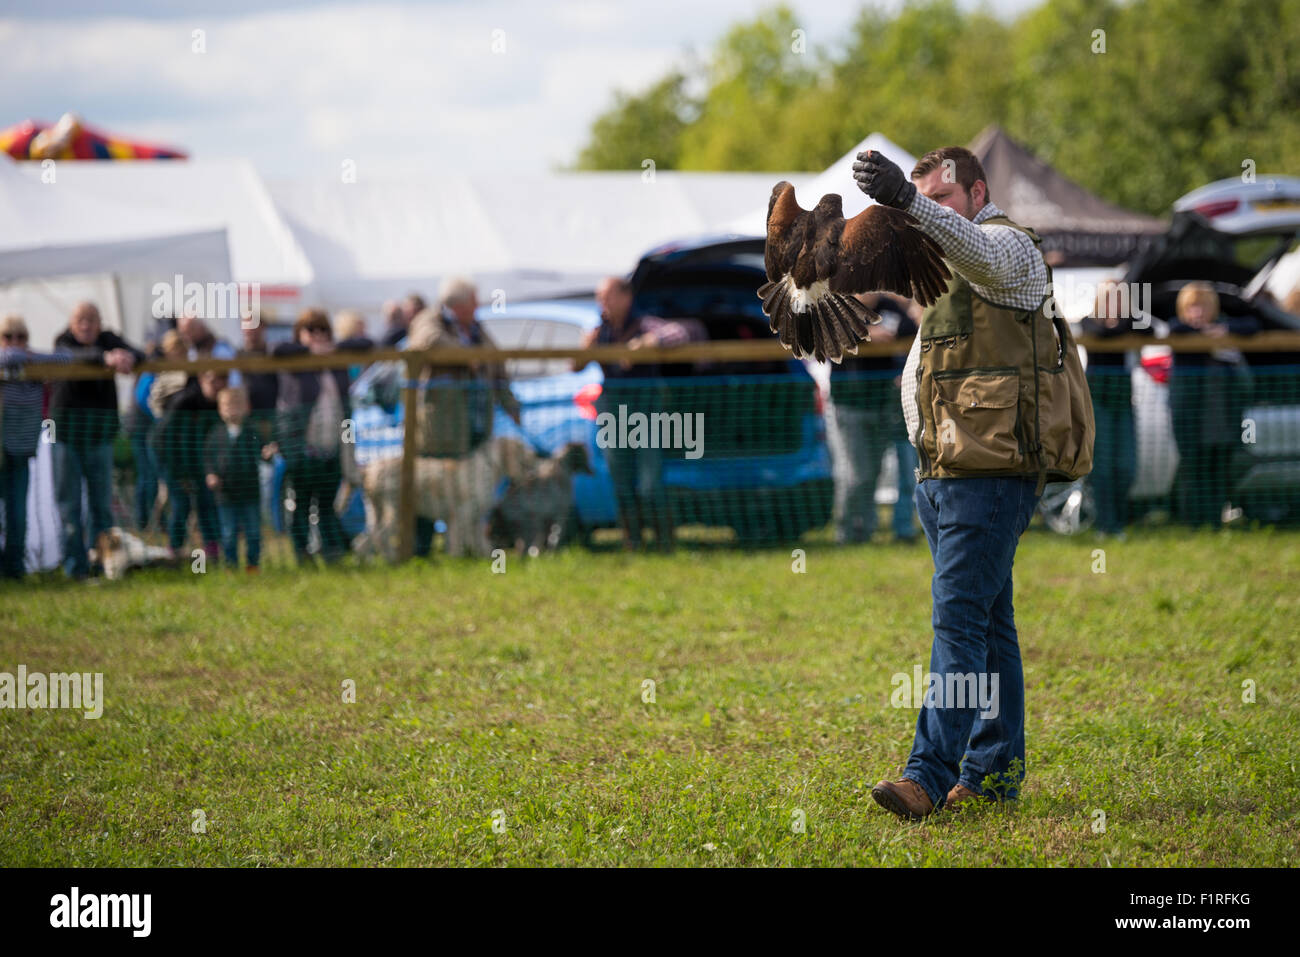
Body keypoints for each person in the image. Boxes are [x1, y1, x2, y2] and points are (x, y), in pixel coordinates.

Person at [854, 145, 1087, 819]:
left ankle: (926, 774)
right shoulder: (947, 270)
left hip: (986, 477)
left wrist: (906, 199)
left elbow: (976, 249)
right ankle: (995, 773)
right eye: (925, 196)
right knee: (990, 629)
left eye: (944, 197)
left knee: (957, 625)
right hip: (950, 475)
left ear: (978, 191)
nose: (932, 211)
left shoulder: (1010, 249)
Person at [574, 276, 702, 551]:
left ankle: (664, 541)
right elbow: (573, 365)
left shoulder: (645, 325)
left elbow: (685, 331)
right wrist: (583, 350)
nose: (602, 304)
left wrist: (650, 342)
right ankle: (632, 541)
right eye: (599, 299)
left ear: (625, 297)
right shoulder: (598, 333)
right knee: (619, 477)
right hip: (612, 411)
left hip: (646, 410)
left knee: (649, 479)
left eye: (606, 298)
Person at [50, 302, 143, 579]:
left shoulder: (109, 339)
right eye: (81, 320)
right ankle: (74, 568)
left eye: (92, 320)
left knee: (102, 505)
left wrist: (127, 357)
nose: (87, 326)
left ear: (100, 323)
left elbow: (138, 352)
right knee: (69, 504)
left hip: (100, 436)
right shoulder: (62, 341)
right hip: (66, 435)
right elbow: (74, 356)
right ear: (71, 322)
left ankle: (104, 565)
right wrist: (106, 359)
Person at [269, 309, 362, 564]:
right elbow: (276, 349)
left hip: (333, 444)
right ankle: (303, 553)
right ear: (300, 333)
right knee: (301, 502)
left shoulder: (335, 361)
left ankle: (332, 552)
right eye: (311, 330)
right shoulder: (294, 360)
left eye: (323, 330)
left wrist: (332, 348)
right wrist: (310, 352)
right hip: (302, 445)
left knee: (326, 502)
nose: (318, 335)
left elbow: (366, 343)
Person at [826, 293, 918, 543]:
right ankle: (849, 533)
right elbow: (826, 334)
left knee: (876, 471)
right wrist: (867, 335)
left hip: (885, 404)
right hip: (849, 405)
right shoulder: (838, 308)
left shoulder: (890, 309)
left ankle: (872, 529)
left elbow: (913, 332)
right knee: (856, 474)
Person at [1167, 282, 1258, 527]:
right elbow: (1174, 329)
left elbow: (1253, 324)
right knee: (1193, 468)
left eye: (1202, 307)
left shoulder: (1225, 329)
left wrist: (1223, 329)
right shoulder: (1180, 332)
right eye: (1192, 307)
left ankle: (1214, 522)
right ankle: (1193, 523)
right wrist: (1206, 334)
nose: (1198, 313)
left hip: (1221, 419)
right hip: (1190, 418)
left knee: (1218, 469)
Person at [0, 315, 73, 579]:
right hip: (1, 450)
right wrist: (19, 356)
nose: (15, 343)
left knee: (17, 513)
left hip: (20, 450)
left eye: (21, 337)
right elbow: (6, 358)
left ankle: (14, 567)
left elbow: (66, 358)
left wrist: (29, 357)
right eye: (8, 336)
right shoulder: (11, 361)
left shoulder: (32, 370)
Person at [1081, 279, 1152, 537]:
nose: (1114, 304)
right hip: (1098, 402)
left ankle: (1120, 523)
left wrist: (1122, 322)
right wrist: (1120, 327)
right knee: (1103, 465)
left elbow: (1152, 329)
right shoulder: (1088, 322)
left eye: (1119, 299)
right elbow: (1099, 333)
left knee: (1127, 466)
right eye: (1109, 298)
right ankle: (1105, 525)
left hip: (1123, 402)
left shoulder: (1132, 322)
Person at [157, 369, 227, 559]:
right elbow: (163, 440)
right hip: (173, 461)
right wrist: (179, 475)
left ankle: (210, 551)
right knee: (182, 505)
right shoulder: (184, 402)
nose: (218, 385)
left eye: (223, 380)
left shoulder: (222, 405)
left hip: (200, 465)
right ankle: (175, 550)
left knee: (206, 503)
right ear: (202, 380)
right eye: (213, 380)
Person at [204, 385, 265, 572]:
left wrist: (267, 454)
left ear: (246, 407)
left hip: (249, 491)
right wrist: (211, 475)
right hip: (225, 493)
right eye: (227, 406)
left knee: (253, 532)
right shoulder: (215, 434)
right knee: (229, 532)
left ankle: (252, 566)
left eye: (236, 405)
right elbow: (208, 458)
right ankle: (230, 567)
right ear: (220, 409)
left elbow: (262, 453)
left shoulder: (252, 432)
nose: (232, 409)